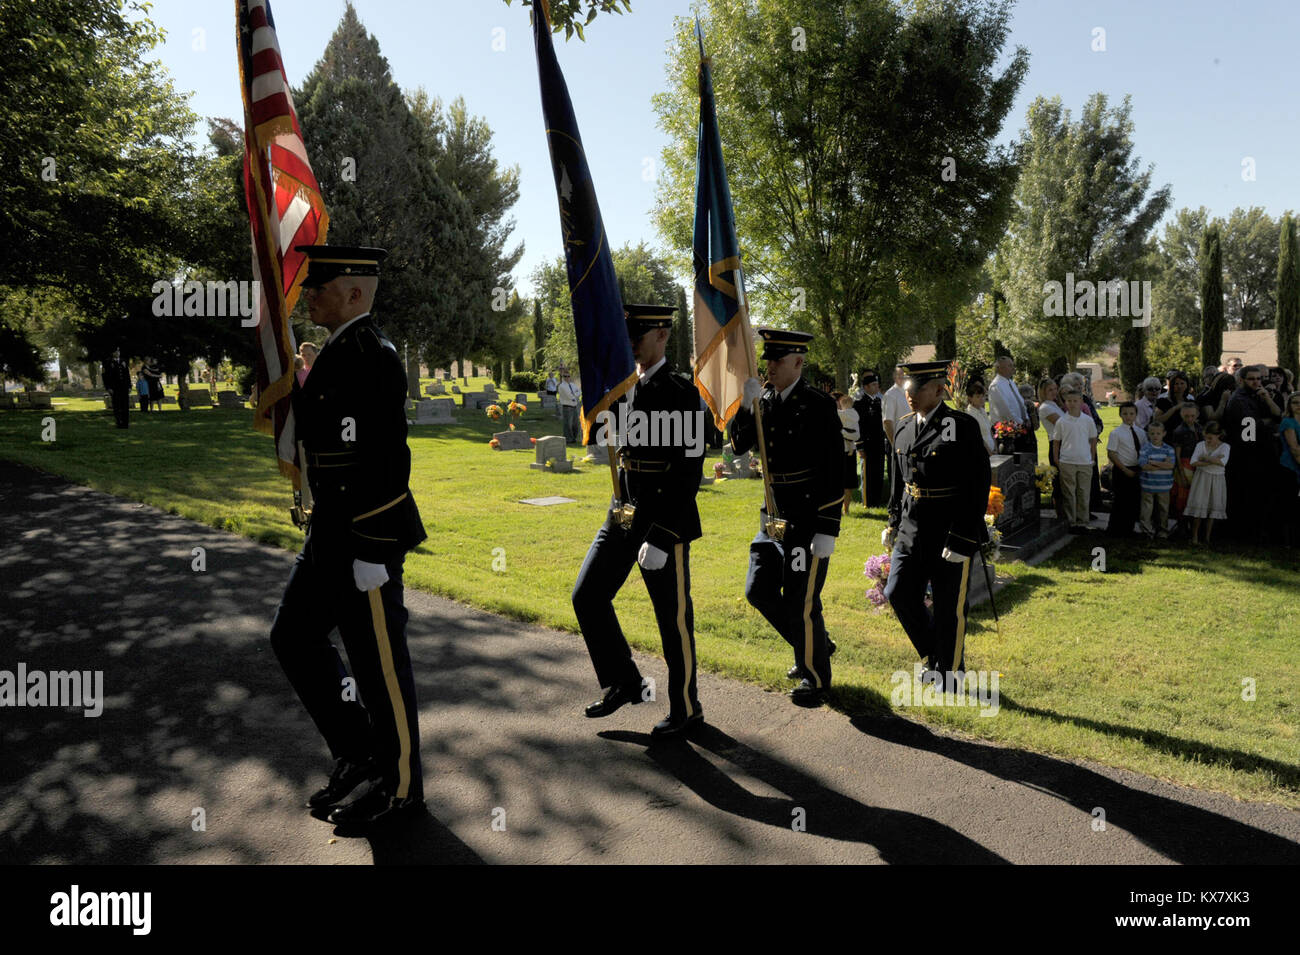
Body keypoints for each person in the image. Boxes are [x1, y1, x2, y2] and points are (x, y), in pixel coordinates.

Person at [268, 245, 427, 831]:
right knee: (292, 637)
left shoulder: (373, 355)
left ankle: (403, 788)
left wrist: (371, 548)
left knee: (380, 667)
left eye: (320, 286)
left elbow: (388, 462)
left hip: (366, 538)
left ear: (355, 292)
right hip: (330, 534)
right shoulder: (336, 352)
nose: (308, 295)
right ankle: (360, 753)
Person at [572, 304, 705, 737]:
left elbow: (688, 474)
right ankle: (625, 681)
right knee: (587, 595)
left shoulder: (681, 392)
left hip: (664, 519)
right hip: (624, 512)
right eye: (625, 334)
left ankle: (686, 708)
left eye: (638, 335)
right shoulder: (622, 386)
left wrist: (664, 537)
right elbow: (600, 437)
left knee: (672, 619)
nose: (629, 343)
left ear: (662, 336)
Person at [731, 328, 843, 706]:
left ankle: (816, 677)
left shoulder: (818, 405)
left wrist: (828, 527)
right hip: (773, 515)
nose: (770, 366)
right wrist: (745, 407)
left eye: (777, 360)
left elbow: (835, 469)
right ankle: (813, 644)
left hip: (807, 516)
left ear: (798, 361)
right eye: (768, 359)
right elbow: (738, 445)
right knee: (758, 589)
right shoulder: (763, 400)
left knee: (801, 600)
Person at [883, 360, 991, 688]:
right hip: (913, 528)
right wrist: (893, 521)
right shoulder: (902, 426)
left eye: (917, 390)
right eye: (908, 390)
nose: (911, 396)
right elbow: (899, 480)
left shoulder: (960, 425)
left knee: (949, 606)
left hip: (949, 529)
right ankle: (934, 655)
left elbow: (977, 484)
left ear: (939, 390)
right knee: (898, 592)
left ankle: (952, 671)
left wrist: (962, 538)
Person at [1223, 365, 1278, 543]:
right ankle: (1242, 535)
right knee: (1244, 496)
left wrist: (1268, 401)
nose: (1256, 382)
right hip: (1244, 455)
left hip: (1258, 455)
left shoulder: (1259, 395)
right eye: (1252, 379)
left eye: (1258, 379)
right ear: (1241, 380)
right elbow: (1250, 428)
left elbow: (1279, 416)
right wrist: (1268, 423)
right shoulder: (1239, 399)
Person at [1052, 389, 1098, 533]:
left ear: (1081, 402)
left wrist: (1092, 457)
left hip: (1085, 462)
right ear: (1065, 403)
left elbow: (1093, 440)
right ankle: (1071, 522)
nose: (1072, 404)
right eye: (1069, 401)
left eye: (1075, 401)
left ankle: (1083, 521)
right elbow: (1056, 442)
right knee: (1069, 493)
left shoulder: (1088, 420)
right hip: (1067, 461)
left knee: (1083, 492)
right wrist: (1056, 459)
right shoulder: (1061, 421)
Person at [1105, 401, 1145, 537]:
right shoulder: (1116, 433)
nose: (1128, 416)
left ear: (1136, 415)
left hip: (1136, 469)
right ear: (1120, 415)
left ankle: (1129, 528)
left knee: (1133, 500)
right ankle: (1115, 530)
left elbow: (1144, 451)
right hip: (1122, 469)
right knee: (1120, 500)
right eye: (1125, 414)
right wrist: (1124, 469)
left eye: (1131, 414)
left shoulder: (1141, 432)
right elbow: (1111, 453)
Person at [1185, 421, 1230, 545]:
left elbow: (1222, 462)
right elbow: (1193, 462)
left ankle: (1207, 538)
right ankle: (1194, 537)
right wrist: (1213, 460)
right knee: (1199, 507)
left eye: (1210, 438)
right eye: (1205, 437)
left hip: (1217, 479)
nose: (1207, 440)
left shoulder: (1225, 447)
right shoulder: (1200, 445)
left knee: (1212, 508)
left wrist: (1205, 458)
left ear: (1218, 435)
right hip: (1202, 478)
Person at [1137, 420, 1177, 540]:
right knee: (1146, 509)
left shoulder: (1168, 449)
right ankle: (1146, 531)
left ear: (1164, 434)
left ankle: (1163, 531)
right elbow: (1144, 465)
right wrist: (1162, 463)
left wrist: (1153, 462)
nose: (1155, 436)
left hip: (1164, 486)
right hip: (1147, 485)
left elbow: (1171, 465)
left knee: (1163, 509)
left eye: (1158, 433)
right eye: (1152, 433)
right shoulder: (1145, 449)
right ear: (1148, 434)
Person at [1168, 401, 1203, 534]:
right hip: (1184, 464)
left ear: (1197, 414)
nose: (1190, 419)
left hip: (1197, 465)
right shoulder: (1179, 431)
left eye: (1192, 416)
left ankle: (1193, 526)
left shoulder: (1200, 428)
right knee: (1183, 497)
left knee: (1195, 496)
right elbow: (1177, 455)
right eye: (1186, 416)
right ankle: (1181, 526)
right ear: (1182, 415)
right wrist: (1181, 474)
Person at [854, 370, 886, 507]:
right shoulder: (859, 404)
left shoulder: (880, 402)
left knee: (878, 473)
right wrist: (859, 446)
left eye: (877, 384)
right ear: (866, 387)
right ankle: (867, 502)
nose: (876, 387)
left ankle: (877, 501)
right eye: (873, 385)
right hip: (866, 444)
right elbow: (857, 426)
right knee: (867, 474)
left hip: (879, 443)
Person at [989, 356, 1030, 449]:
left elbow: (1020, 403)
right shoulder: (996, 386)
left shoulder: (1010, 382)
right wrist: (1021, 424)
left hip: (1020, 428)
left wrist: (1026, 418)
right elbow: (1006, 410)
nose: (1013, 368)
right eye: (1010, 365)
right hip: (1008, 433)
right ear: (1000, 368)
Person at [881, 365, 910, 497]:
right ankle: (895, 510)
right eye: (900, 375)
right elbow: (887, 422)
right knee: (897, 480)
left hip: (910, 441)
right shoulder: (891, 395)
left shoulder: (909, 392)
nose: (903, 378)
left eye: (905, 375)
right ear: (895, 377)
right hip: (896, 442)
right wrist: (895, 445)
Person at [834, 392, 860, 514]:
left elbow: (856, 435)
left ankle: (846, 508)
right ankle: (837, 508)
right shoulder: (840, 415)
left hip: (849, 451)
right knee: (838, 482)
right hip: (839, 451)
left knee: (848, 483)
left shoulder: (850, 414)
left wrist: (842, 432)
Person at [962, 378, 994, 455]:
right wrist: (990, 453)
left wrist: (995, 447)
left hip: (992, 451)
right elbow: (978, 438)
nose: (982, 399)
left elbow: (990, 431)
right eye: (978, 397)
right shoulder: (969, 414)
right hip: (982, 453)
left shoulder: (982, 411)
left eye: (983, 396)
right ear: (970, 398)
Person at [102, 350, 131, 429]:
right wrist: (108, 387)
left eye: (118, 352)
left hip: (124, 387)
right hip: (115, 388)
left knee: (125, 405)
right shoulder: (108, 362)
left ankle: (125, 423)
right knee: (117, 405)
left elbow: (127, 375)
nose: (117, 353)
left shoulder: (123, 361)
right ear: (112, 353)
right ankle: (119, 422)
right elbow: (105, 376)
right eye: (115, 352)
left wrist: (129, 386)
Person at [557, 372, 581, 444]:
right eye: (565, 376)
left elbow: (579, 391)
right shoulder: (562, 386)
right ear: (563, 377)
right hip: (567, 407)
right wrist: (575, 395)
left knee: (576, 424)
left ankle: (574, 438)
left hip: (574, 406)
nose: (567, 377)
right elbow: (569, 396)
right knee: (568, 424)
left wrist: (575, 395)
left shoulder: (573, 385)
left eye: (568, 376)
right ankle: (568, 439)